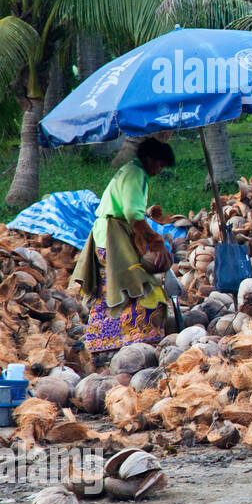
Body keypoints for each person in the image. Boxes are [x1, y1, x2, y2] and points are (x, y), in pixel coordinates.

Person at [71, 137, 176, 355]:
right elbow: (131, 214)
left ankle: (102, 347)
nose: (159, 170)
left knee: (109, 290)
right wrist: (154, 240)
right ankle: (138, 342)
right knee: (144, 290)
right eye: (158, 165)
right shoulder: (135, 173)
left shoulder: (132, 171)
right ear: (148, 159)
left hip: (106, 236)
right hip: (113, 237)